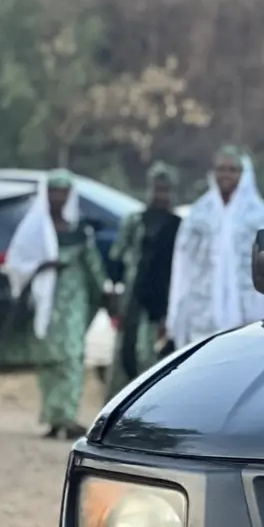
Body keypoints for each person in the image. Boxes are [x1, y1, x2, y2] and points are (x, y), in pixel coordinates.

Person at [0, 169, 109, 439]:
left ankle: (68, 415)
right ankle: (53, 416)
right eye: (54, 191)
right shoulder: (35, 227)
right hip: (45, 299)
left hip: (73, 297)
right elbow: (17, 262)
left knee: (71, 355)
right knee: (48, 358)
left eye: (63, 191)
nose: (58, 197)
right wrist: (43, 265)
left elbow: (93, 266)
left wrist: (103, 292)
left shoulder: (79, 230)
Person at [165, 145, 264, 350]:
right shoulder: (199, 214)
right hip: (201, 315)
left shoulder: (256, 216)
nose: (225, 175)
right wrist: (175, 316)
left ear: (244, 174)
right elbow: (182, 265)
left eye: (232, 169)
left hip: (246, 317)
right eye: (221, 169)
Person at [105, 162, 182, 399]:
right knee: (124, 356)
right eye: (157, 189)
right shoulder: (135, 221)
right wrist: (115, 289)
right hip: (133, 299)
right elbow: (116, 258)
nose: (160, 195)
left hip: (163, 302)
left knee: (151, 360)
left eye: (165, 189)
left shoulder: (178, 226)